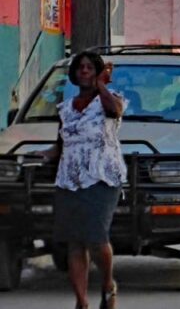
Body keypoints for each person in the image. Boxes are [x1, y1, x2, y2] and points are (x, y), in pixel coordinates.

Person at [42, 51, 126, 309]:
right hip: (69, 180)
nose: (84, 71)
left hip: (102, 178)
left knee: (97, 237)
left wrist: (102, 85)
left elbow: (114, 111)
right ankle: (81, 301)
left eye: (90, 68)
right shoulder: (65, 109)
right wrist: (43, 154)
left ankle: (108, 285)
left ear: (98, 72)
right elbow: (61, 145)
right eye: (80, 68)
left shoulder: (110, 101)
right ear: (74, 74)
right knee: (75, 242)